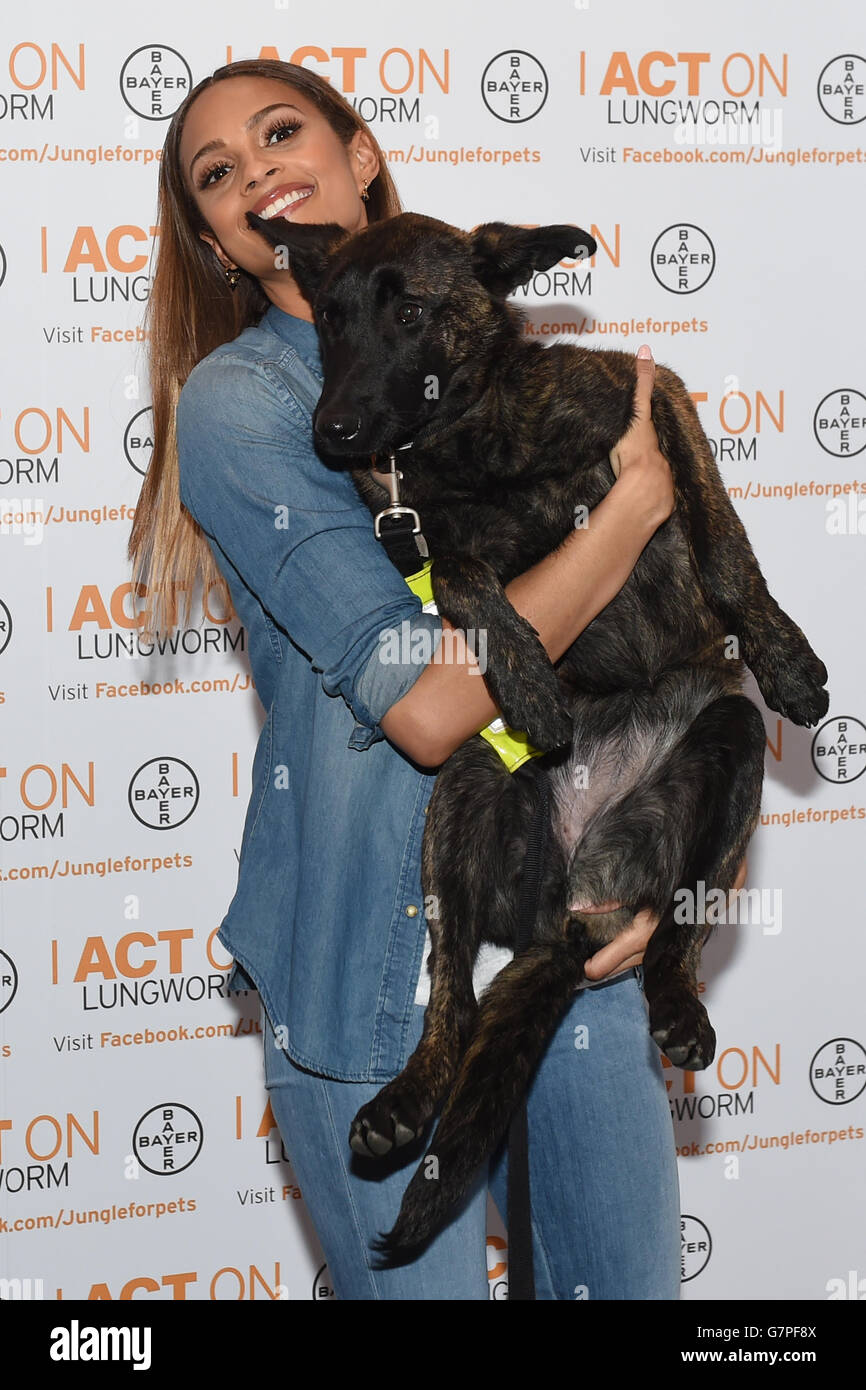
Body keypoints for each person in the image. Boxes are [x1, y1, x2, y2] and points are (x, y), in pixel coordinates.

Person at [129, 58, 744, 1301]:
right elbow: (427, 706)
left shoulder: (496, 357)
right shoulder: (243, 406)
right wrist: (628, 508)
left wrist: (652, 886)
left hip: (557, 940)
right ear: (218, 237)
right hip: (370, 971)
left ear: (359, 156)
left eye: (282, 131)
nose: (256, 168)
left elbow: (663, 662)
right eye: (218, 172)